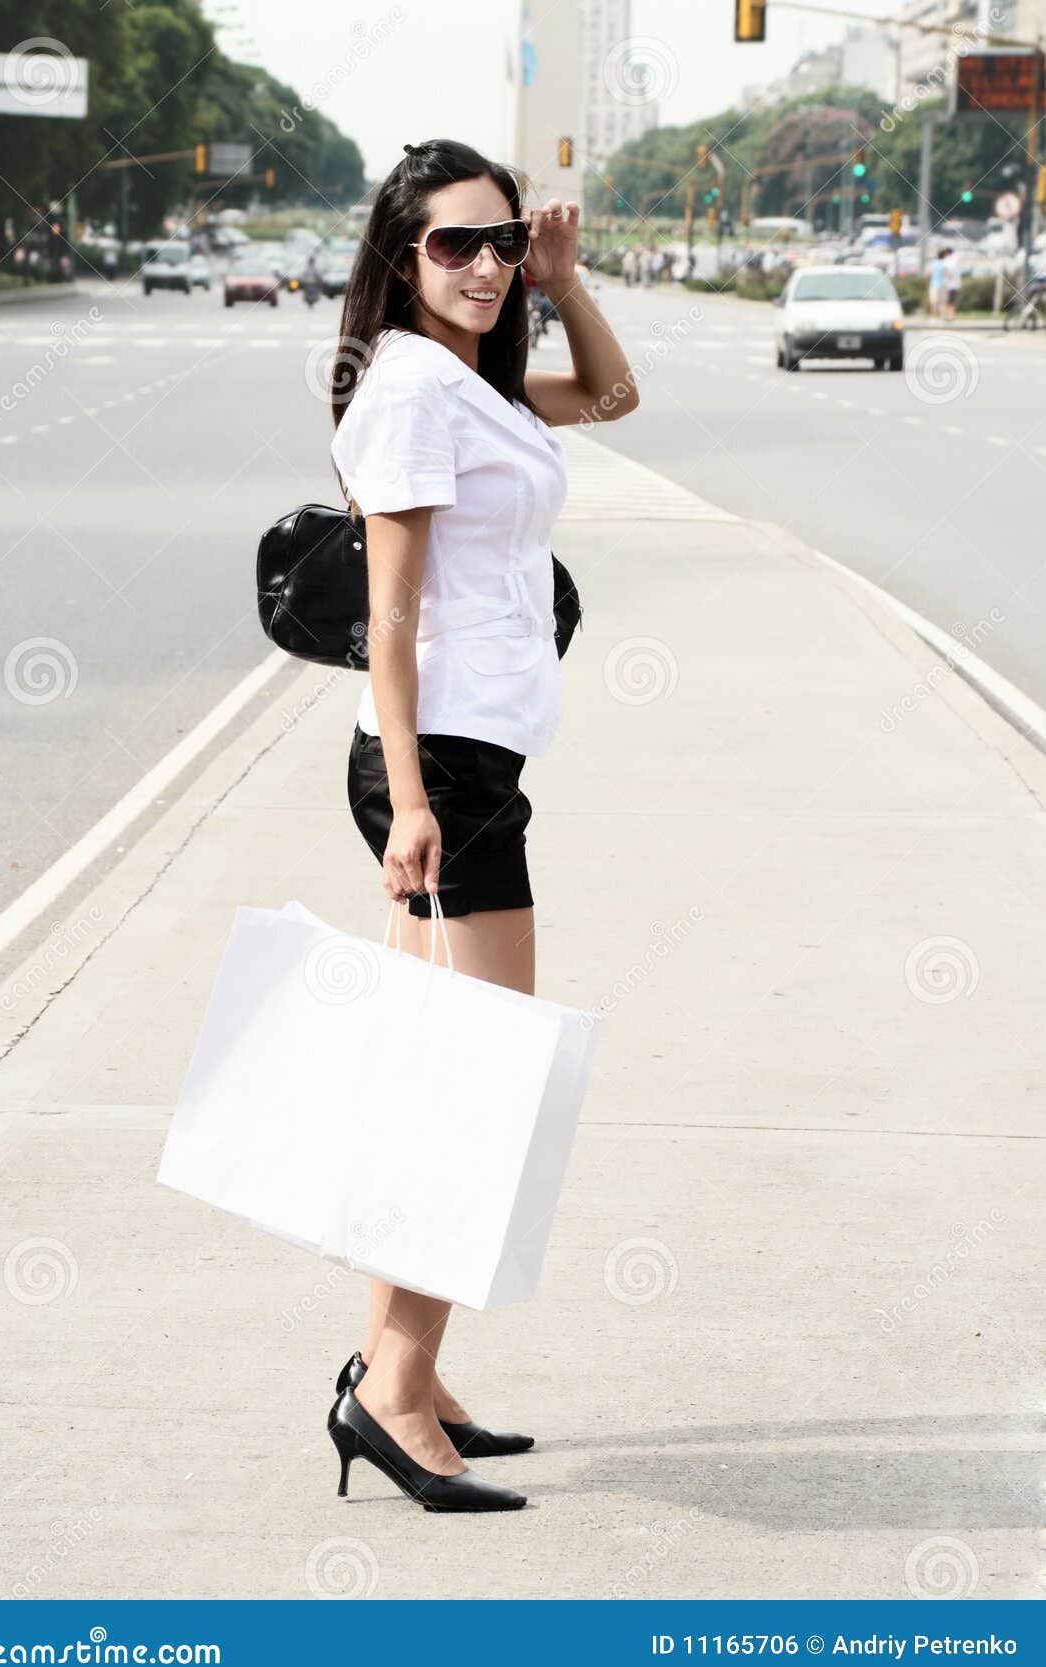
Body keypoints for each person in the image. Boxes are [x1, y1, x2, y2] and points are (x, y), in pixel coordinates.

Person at [328, 136, 638, 1513]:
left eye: (502, 241)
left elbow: (618, 391)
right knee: (475, 1090)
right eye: (455, 243)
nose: (483, 265)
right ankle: (391, 1391)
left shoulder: (475, 384)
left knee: (450, 1081)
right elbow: (387, 619)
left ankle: (404, 1371)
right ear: (403, 258)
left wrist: (565, 281)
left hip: (474, 766)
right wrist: (406, 801)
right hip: (437, 775)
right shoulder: (407, 392)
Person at [928, 247, 947, 319]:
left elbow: (928, 275)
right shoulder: (944, 263)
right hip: (942, 285)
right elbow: (948, 274)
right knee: (942, 302)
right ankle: (943, 317)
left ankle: (934, 317)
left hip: (933, 285)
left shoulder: (933, 263)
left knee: (934, 303)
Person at [942, 245, 960, 319]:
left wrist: (946, 275)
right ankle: (951, 315)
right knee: (951, 301)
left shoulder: (948, 261)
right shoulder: (954, 260)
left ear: (947, 253)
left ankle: (947, 315)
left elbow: (949, 272)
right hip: (954, 284)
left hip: (948, 285)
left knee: (948, 301)